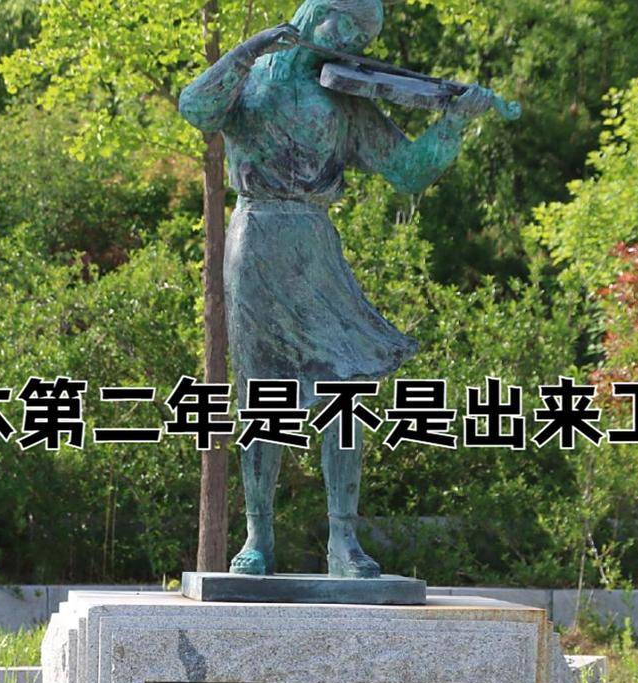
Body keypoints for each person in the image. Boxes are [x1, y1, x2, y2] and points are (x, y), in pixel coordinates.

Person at [178, 0, 496, 578]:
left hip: (315, 243)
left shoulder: (346, 96)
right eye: (347, 25)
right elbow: (196, 107)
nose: (353, 42)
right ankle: (257, 538)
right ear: (316, 13)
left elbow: (407, 169)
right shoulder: (251, 79)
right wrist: (246, 51)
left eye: (364, 35)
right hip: (258, 237)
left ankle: (343, 541)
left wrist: (453, 122)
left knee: (345, 389)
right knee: (264, 395)